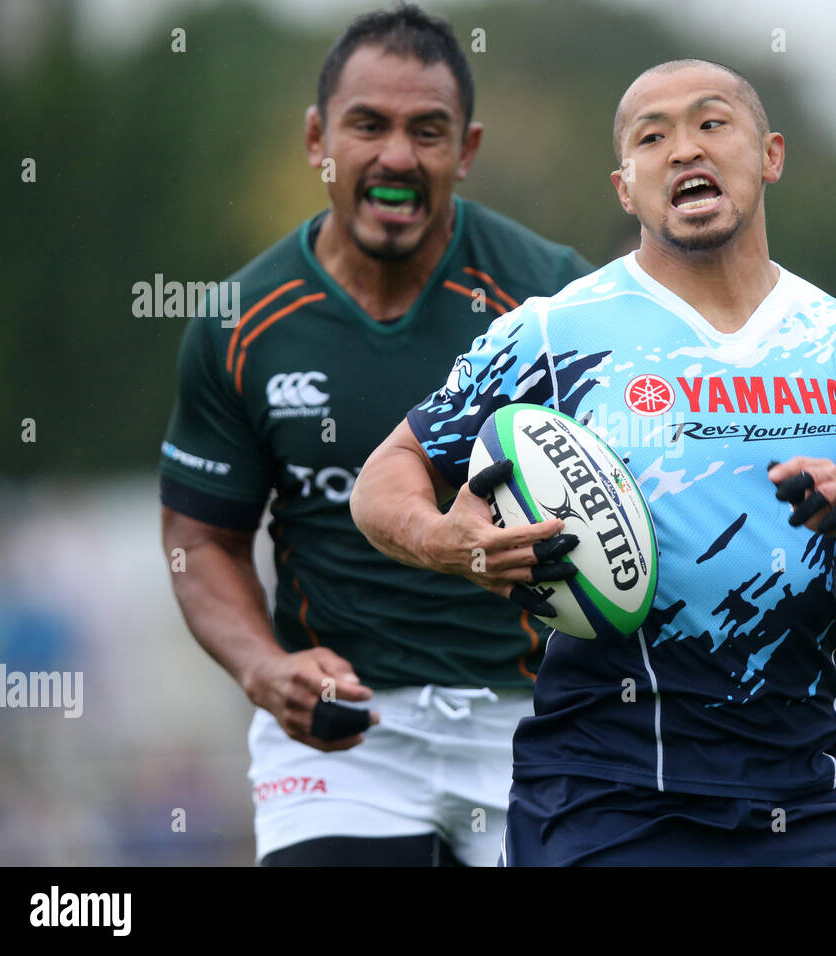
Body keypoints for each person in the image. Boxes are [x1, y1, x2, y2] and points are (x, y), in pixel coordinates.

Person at [349, 58, 836, 865]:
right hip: (601, 801)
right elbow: (383, 479)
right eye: (653, 136)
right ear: (625, 186)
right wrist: (448, 540)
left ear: (770, 156)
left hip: (804, 802)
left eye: (712, 124)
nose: (684, 149)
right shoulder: (549, 334)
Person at [159, 3, 591, 867]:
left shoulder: (554, 303)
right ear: (319, 138)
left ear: (465, 151)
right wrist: (260, 667)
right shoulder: (240, 322)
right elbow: (200, 540)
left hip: (532, 724)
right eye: (368, 125)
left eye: (427, 131)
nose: (396, 155)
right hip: (343, 735)